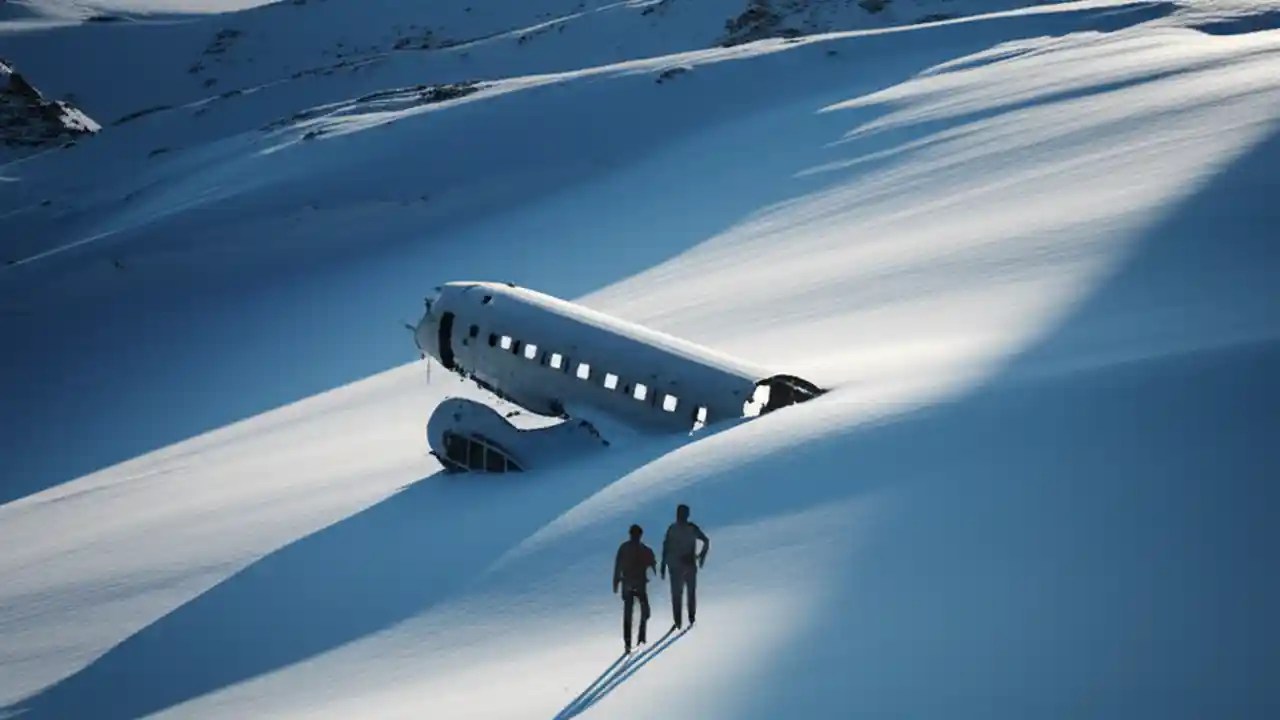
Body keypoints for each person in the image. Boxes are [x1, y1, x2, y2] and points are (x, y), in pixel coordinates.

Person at [660, 504, 710, 629]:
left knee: (684, 594)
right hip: (681, 566)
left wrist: (701, 556)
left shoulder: (679, 528)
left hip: (683, 566)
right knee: (683, 594)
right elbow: (666, 547)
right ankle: (683, 620)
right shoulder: (680, 528)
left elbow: (705, 540)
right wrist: (663, 564)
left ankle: (686, 620)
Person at [613, 523, 656, 653]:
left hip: (629, 585)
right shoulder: (644, 549)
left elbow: (617, 567)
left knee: (631, 614)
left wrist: (616, 583)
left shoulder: (626, 548)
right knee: (643, 612)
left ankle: (631, 642)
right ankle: (639, 639)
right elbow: (652, 563)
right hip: (638, 585)